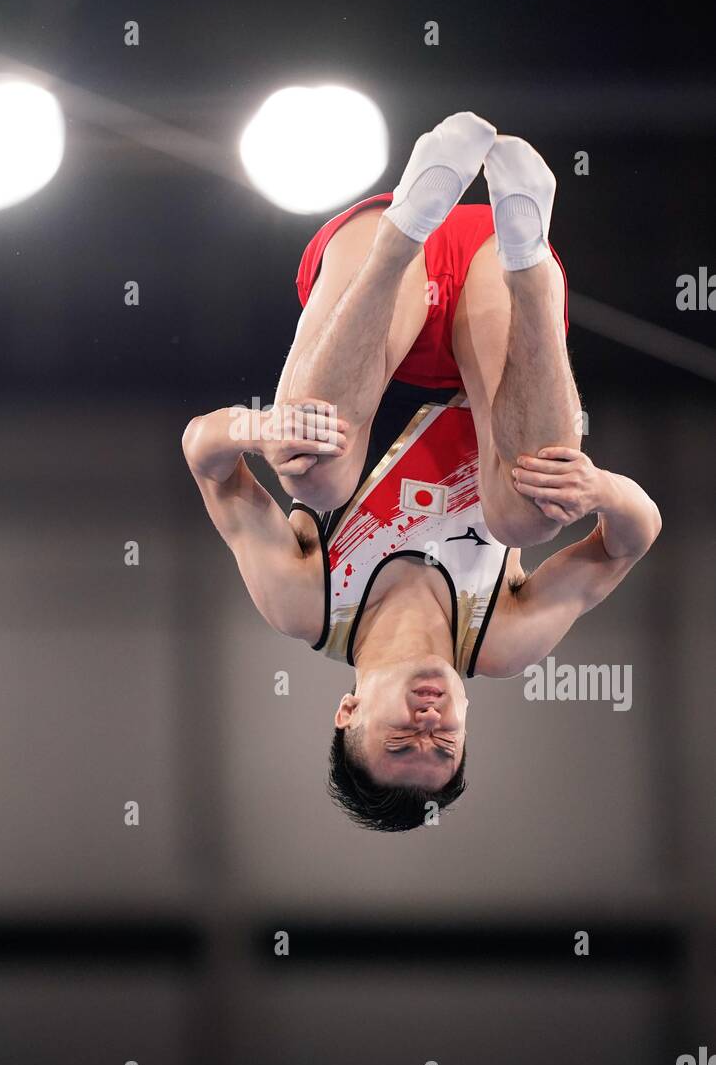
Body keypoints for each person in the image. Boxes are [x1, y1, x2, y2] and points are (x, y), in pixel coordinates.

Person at [182, 113, 661, 831]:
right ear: (468, 724)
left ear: (348, 712)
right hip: (494, 284)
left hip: (376, 281)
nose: (427, 722)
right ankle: (531, 256)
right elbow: (632, 539)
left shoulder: (303, 602)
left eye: (399, 738)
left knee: (313, 475)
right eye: (444, 743)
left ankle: (407, 227)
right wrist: (604, 493)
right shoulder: (501, 639)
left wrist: (255, 429)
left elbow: (204, 457)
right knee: (529, 515)